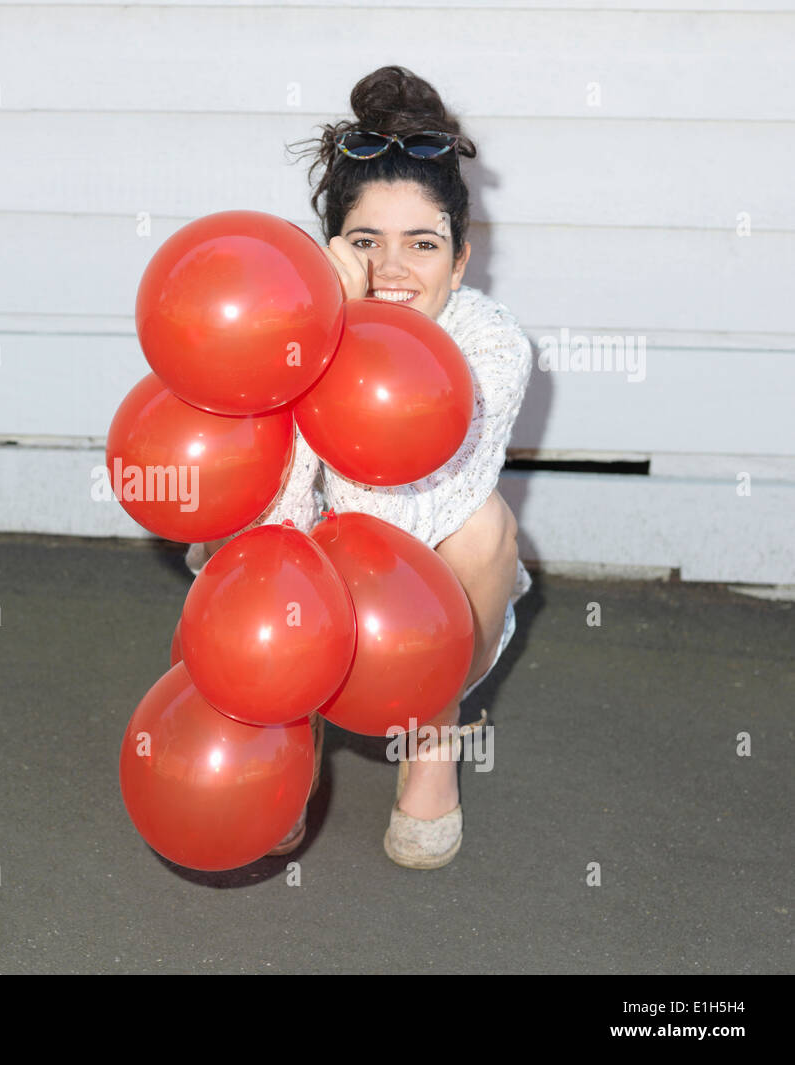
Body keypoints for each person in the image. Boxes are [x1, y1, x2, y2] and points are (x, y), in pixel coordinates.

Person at [184, 66, 534, 870]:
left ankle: (434, 734)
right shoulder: (291, 324)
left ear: (462, 257)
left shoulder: (492, 347)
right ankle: (279, 735)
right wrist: (322, 332)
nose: (395, 269)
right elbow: (276, 493)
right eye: (366, 243)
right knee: (256, 521)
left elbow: (427, 507)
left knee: (485, 528)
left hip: (420, 600)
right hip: (303, 565)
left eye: (423, 243)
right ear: (331, 250)